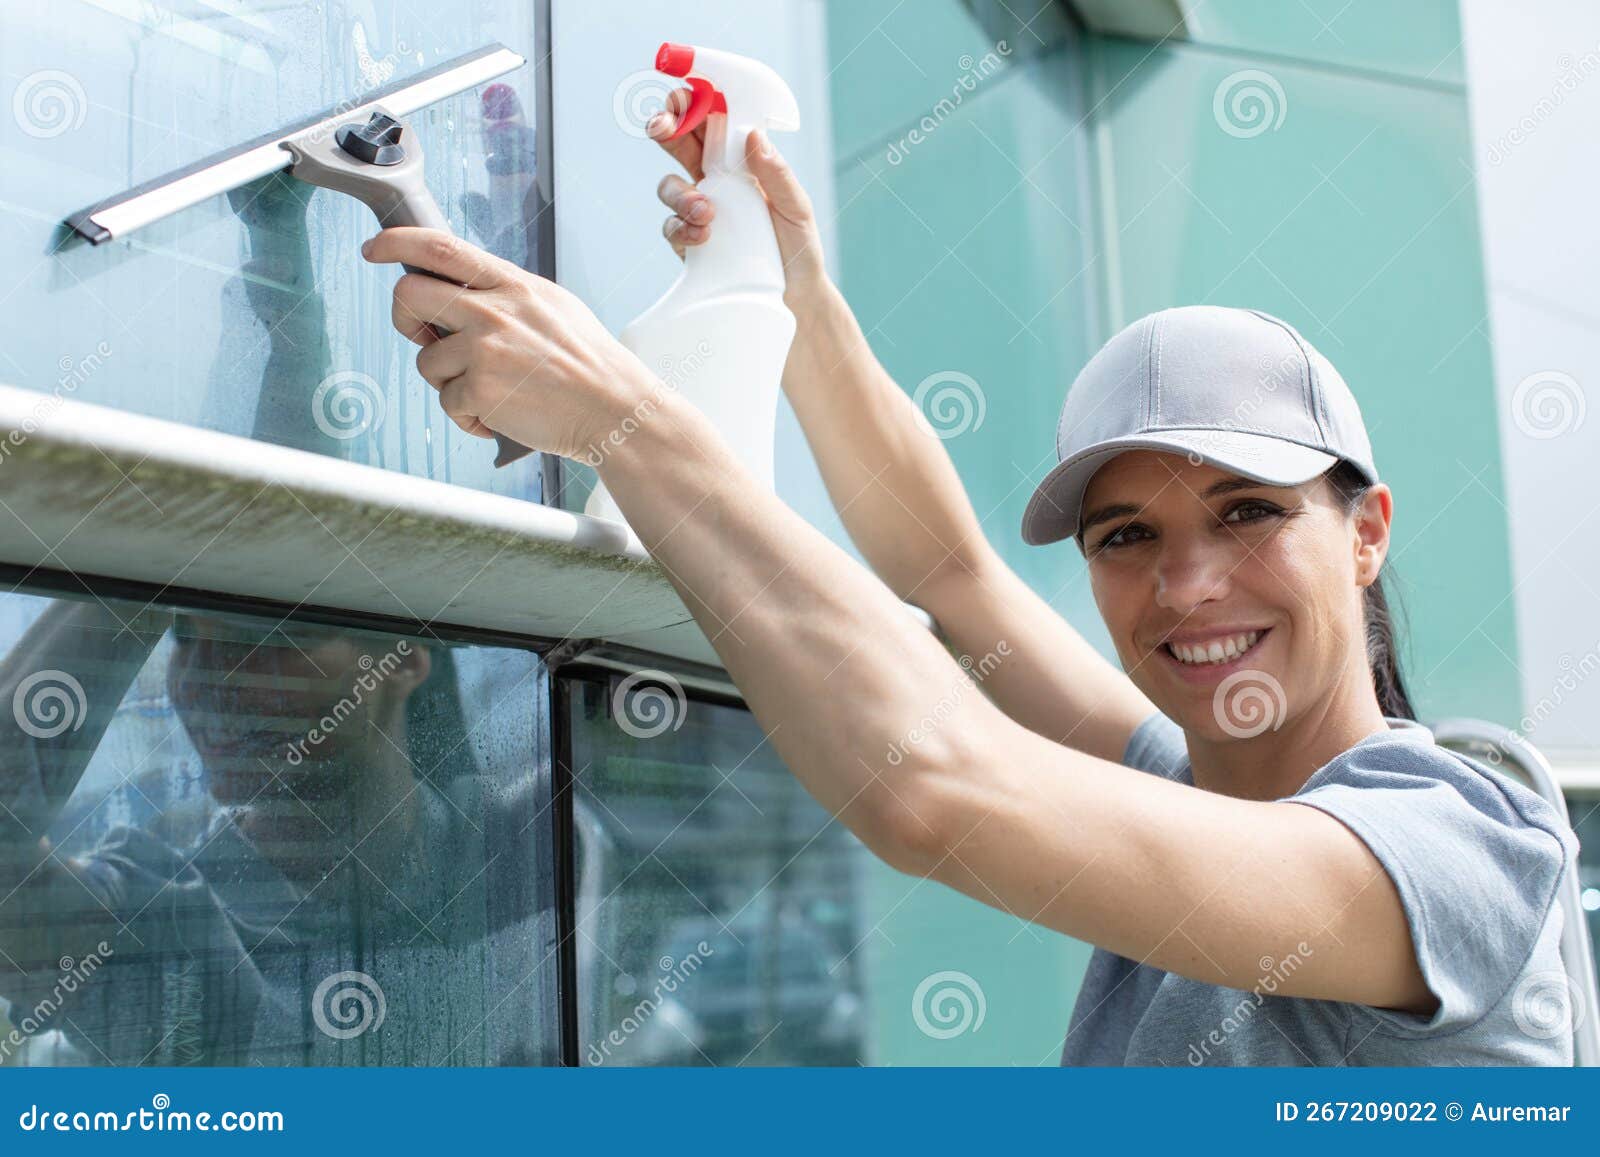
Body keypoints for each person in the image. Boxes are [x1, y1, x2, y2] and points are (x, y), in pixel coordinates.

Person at [356, 90, 1581, 1066]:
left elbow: (932, 787)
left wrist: (625, 417)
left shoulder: (1453, 843)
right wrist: (793, 289)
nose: (1188, 582)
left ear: (1365, 531)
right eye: (1124, 537)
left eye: (1247, 512)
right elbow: (948, 570)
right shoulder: (1192, 791)